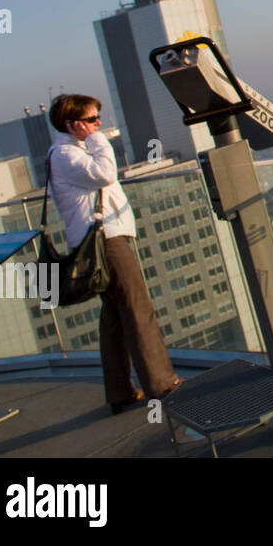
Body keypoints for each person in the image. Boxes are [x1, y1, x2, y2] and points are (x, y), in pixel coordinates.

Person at [46, 94, 184, 414]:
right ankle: (161, 382)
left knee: (115, 318)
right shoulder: (67, 154)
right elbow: (107, 174)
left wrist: (90, 138)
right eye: (93, 120)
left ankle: (120, 391)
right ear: (74, 124)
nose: (99, 125)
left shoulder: (68, 152)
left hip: (99, 239)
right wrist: (97, 140)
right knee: (137, 308)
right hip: (106, 240)